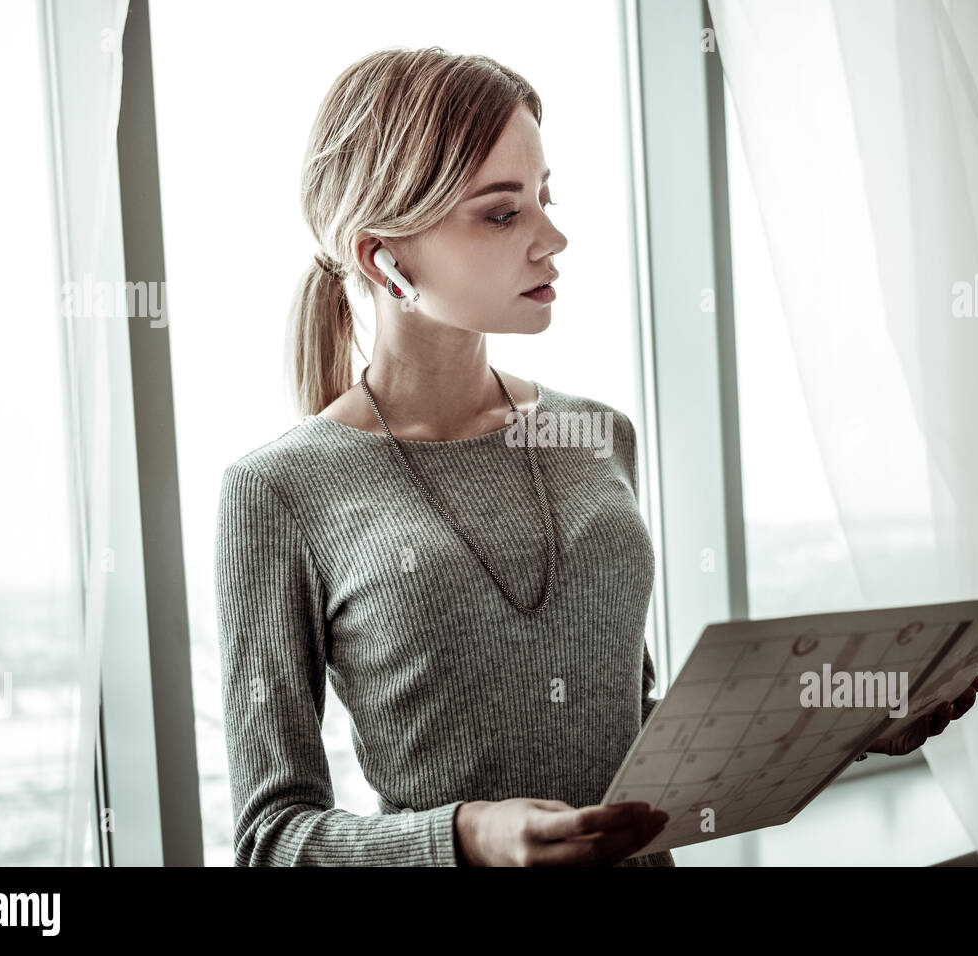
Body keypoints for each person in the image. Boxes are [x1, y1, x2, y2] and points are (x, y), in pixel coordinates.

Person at [215, 46, 670, 867]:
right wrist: (465, 839)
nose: (553, 237)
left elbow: (628, 727)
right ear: (383, 257)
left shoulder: (600, 435)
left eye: (545, 198)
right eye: (504, 213)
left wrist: (831, 727)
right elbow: (271, 836)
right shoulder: (278, 492)